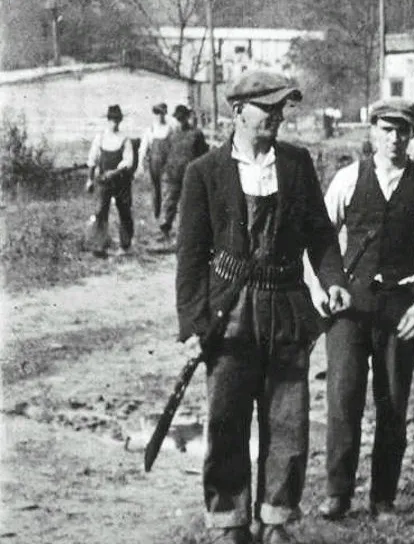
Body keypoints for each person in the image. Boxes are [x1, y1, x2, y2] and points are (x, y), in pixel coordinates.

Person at [175, 70, 352, 544]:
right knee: (227, 419)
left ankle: (276, 519)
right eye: (266, 107)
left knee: (288, 420)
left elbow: (320, 234)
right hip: (229, 313)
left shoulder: (296, 165)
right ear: (238, 111)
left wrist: (332, 280)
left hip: (288, 310)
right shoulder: (205, 173)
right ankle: (228, 521)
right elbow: (191, 257)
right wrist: (193, 325)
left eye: (281, 108)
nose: (276, 116)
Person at [319, 97, 414, 521]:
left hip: (400, 305)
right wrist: (328, 287)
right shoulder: (347, 179)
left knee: (392, 402)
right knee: (343, 398)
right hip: (350, 307)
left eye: (403, 131)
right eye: (387, 129)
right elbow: (321, 241)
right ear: (373, 131)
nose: (395, 139)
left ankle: (383, 499)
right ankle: (338, 493)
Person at [85, 104, 135, 256]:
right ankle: (99, 246)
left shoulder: (124, 139)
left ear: (120, 120)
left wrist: (114, 172)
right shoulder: (100, 138)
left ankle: (125, 245)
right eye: (112, 119)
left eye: (117, 120)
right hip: (103, 181)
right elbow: (92, 160)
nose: (115, 122)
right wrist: (90, 180)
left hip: (121, 181)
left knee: (124, 210)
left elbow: (128, 161)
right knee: (100, 211)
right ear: (108, 120)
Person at [160, 104, 208, 240]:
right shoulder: (172, 135)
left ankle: (186, 233)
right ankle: (165, 230)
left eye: (182, 118)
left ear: (187, 117)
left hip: (190, 175)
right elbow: (166, 152)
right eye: (177, 118)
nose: (180, 121)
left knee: (188, 204)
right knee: (169, 202)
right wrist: (167, 169)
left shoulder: (196, 134)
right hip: (173, 174)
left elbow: (203, 155)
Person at [137, 102, 173, 222]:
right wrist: (140, 164)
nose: (159, 116)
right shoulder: (150, 130)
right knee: (155, 187)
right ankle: (156, 213)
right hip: (154, 162)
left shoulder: (170, 129)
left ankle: (165, 215)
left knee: (166, 188)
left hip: (167, 162)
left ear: (165, 114)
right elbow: (143, 148)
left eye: (161, 113)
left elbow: (174, 146)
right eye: (157, 113)